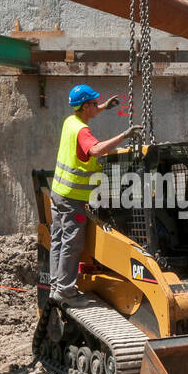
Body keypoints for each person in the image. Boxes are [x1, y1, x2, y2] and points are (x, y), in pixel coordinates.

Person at [49, 84, 140, 306]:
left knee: (58, 240)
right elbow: (97, 150)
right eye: (93, 103)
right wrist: (124, 135)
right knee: (72, 243)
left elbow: (88, 113)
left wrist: (104, 107)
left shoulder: (70, 121)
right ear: (85, 106)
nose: (96, 106)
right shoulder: (83, 131)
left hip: (59, 193)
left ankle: (55, 286)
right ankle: (66, 291)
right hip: (73, 198)